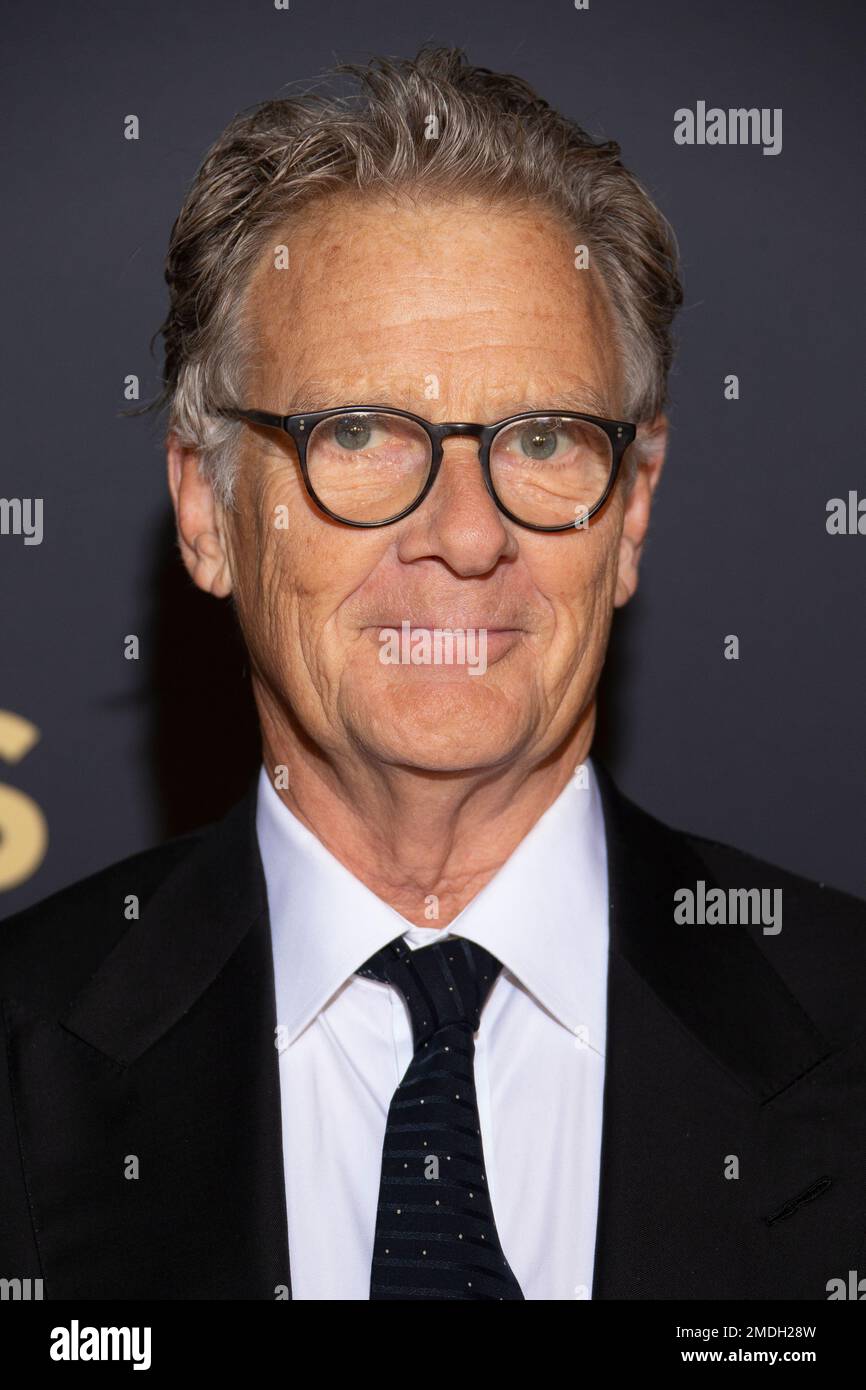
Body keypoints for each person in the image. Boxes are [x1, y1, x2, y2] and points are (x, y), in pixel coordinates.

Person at [1, 47, 863, 1301]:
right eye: (354, 431)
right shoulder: (25, 1055)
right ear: (205, 508)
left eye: (543, 438)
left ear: (629, 511)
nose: (465, 535)